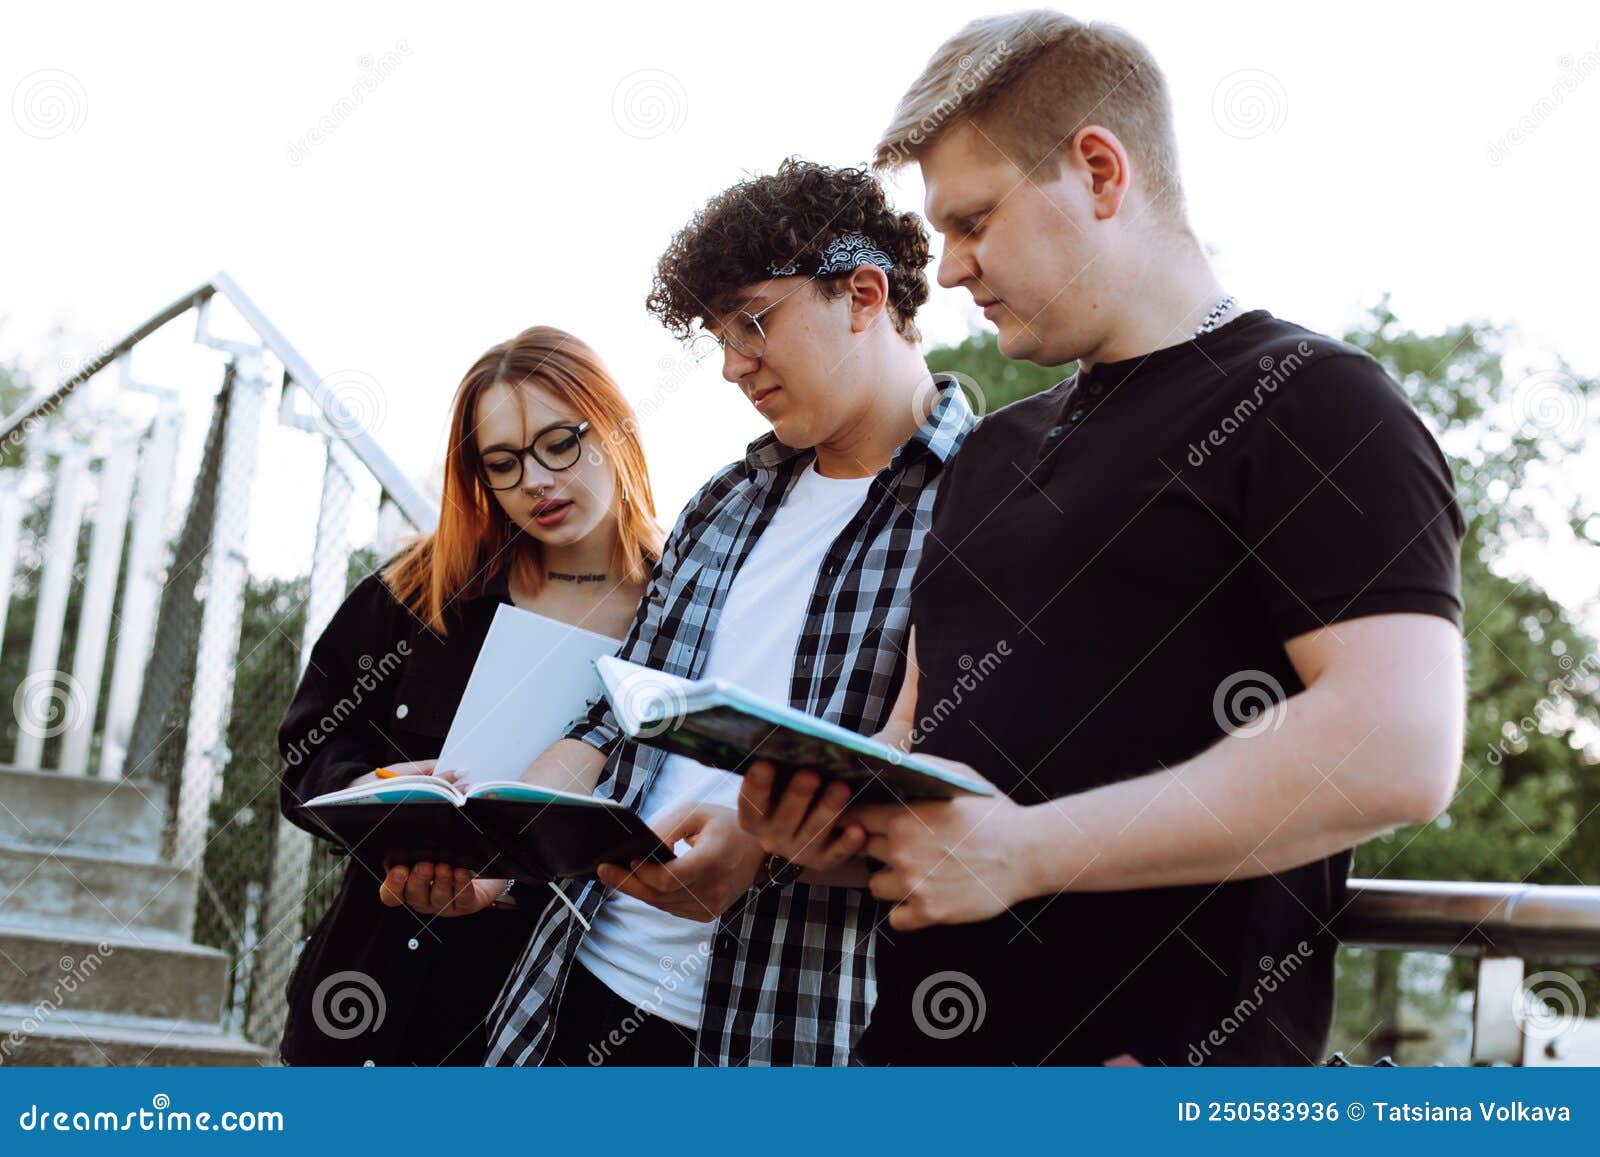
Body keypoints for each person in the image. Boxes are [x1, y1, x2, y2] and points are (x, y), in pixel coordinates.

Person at [740, 11, 1467, 1066]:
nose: (946, 270)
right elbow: (918, 742)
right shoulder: (986, 451)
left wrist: (1023, 854)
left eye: (973, 221)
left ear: (1098, 171)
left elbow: (1396, 743)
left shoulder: (1316, 404)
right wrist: (821, 827)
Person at [395, 160, 977, 1066]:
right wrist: (499, 849)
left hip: (782, 1029)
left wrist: (761, 846)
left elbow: (945, 777)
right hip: (570, 988)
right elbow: (612, 713)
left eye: (753, 321)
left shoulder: (990, 501)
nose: (733, 367)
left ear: (864, 294)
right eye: (719, 337)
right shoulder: (725, 501)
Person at [276, 326, 662, 1065]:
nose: (538, 481)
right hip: (373, 992)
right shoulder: (417, 594)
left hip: (558, 1013)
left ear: (611, 424)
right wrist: (376, 790)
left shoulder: (685, 607)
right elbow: (306, 750)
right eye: (504, 462)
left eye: (559, 442)